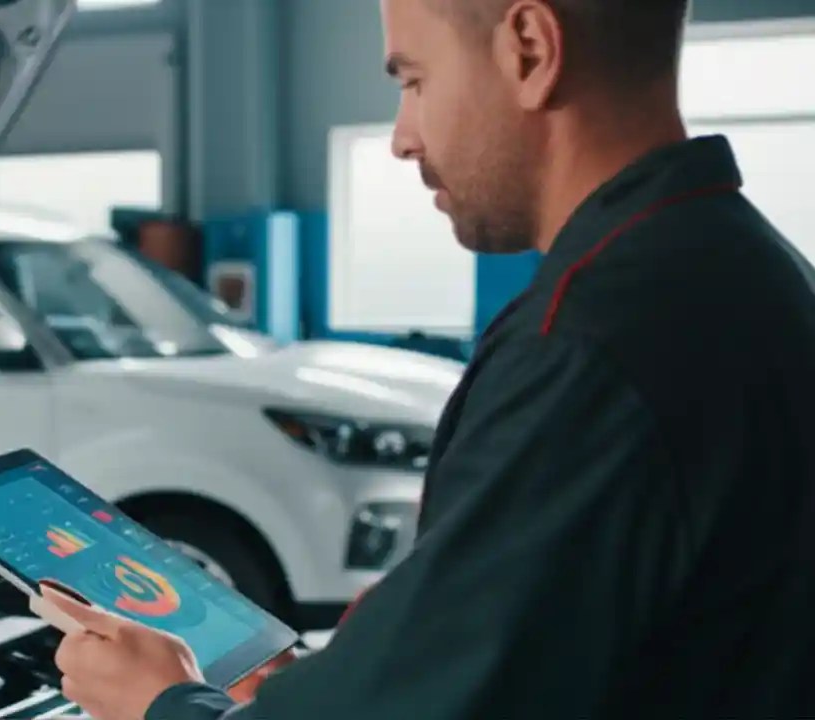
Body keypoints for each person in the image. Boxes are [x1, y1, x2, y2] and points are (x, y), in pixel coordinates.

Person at [41, 0, 815, 717]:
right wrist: (339, 684)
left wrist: (164, 703)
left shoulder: (588, 347)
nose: (403, 136)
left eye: (414, 80)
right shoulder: (749, 267)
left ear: (530, 50)